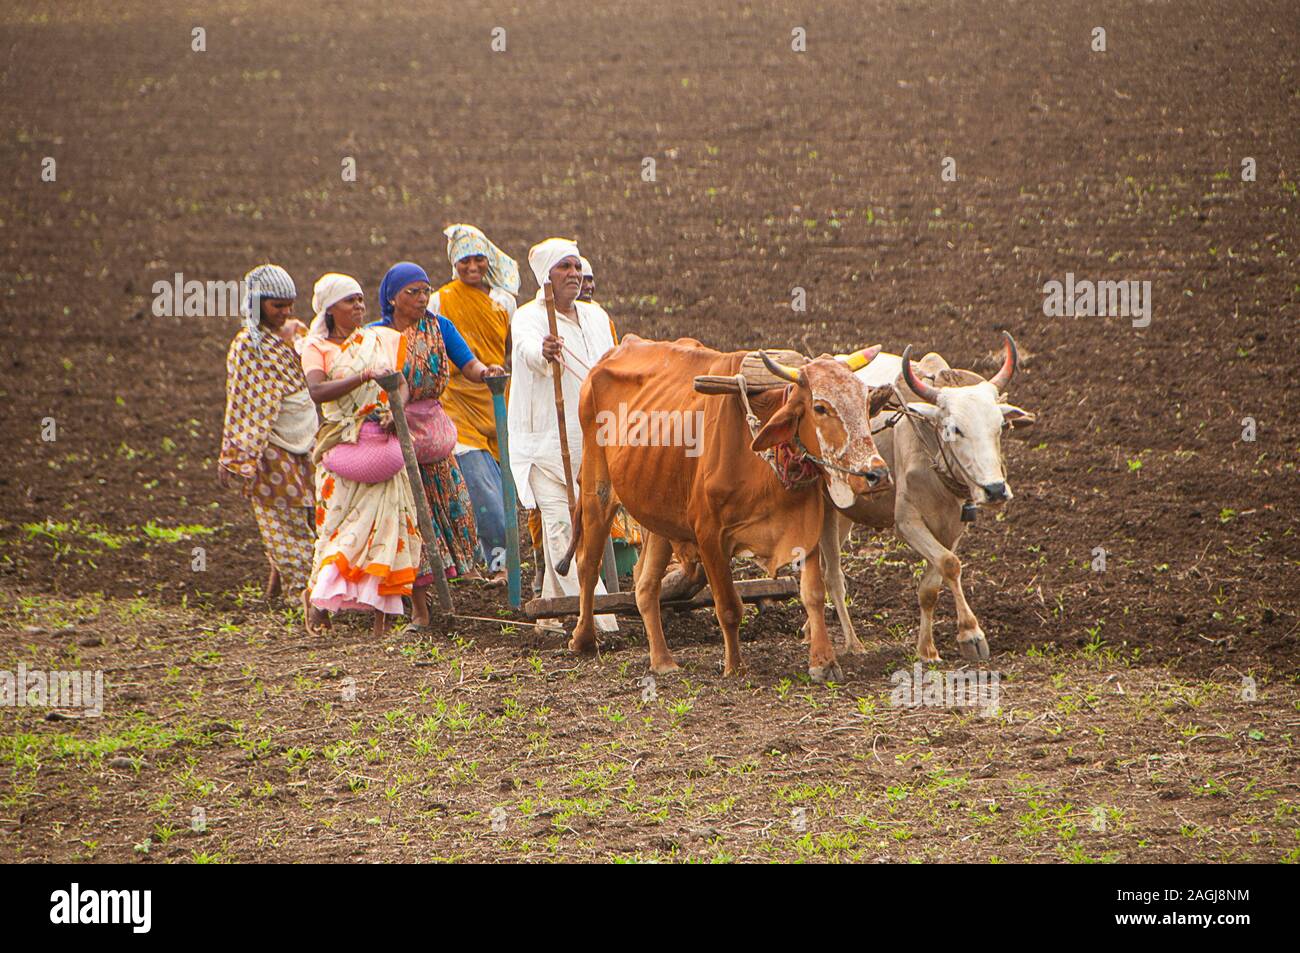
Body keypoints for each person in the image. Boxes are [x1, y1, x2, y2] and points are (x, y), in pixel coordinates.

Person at [372, 262, 504, 620]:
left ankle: (453, 584)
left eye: (425, 290)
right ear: (392, 298)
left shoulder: (438, 327)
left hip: (435, 435)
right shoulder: (376, 335)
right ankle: (419, 608)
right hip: (395, 439)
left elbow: (470, 364)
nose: (421, 298)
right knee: (412, 521)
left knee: (454, 515)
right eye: (411, 292)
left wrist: (487, 373)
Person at [302, 273, 424, 637]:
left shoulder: (376, 340)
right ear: (329, 310)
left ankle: (381, 619)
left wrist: (395, 410)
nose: (358, 306)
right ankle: (316, 604)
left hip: (380, 443)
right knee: (336, 532)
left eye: (359, 299)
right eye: (349, 301)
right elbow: (317, 390)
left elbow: (400, 383)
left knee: (388, 530)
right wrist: (363, 376)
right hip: (342, 445)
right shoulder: (317, 347)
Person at [508, 238, 618, 633]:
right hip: (544, 443)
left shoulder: (596, 316)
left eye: (577, 267)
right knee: (559, 528)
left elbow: (612, 363)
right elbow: (525, 351)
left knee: (582, 529)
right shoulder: (528, 317)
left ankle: (552, 618)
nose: (573, 274)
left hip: (590, 440)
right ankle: (603, 621)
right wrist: (544, 350)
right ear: (546, 279)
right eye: (564, 268)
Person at [219, 264, 326, 634]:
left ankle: (286, 590)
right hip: (270, 446)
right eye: (277, 306)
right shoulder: (248, 347)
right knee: (284, 522)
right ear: (257, 304)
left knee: (311, 514)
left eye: (289, 305)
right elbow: (245, 405)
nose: (285, 313)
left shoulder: (299, 335)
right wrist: (237, 454)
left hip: (308, 438)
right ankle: (309, 599)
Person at [431, 225, 519, 582]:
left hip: (496, 400)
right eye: (465, 259)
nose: (473, 266)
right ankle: (498, 567)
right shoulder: (440, 300)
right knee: (484, 495)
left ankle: (498, 563)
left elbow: (509, 347)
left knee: (503, 491)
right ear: (454, 263)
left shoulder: (503, 302)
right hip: (457, 404)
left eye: (479, 259)